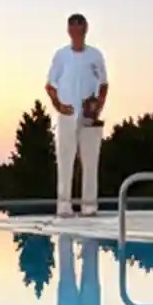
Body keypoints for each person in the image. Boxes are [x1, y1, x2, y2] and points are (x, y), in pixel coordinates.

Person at [46, 13, 108, 217]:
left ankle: (89, 206)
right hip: (67, 116)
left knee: (90, 161)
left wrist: (98, 105)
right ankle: (64, 206)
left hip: (89, 115)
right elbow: (50, 85)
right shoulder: (61, 56)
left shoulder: (95, 56)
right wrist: (58, 105)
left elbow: (104, 84)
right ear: (68, 31)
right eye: (73, 28)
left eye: (80, 27)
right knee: (65, 160)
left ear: (86, 29)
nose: (77, 31)